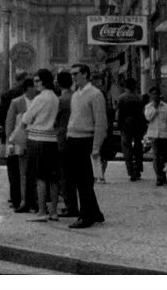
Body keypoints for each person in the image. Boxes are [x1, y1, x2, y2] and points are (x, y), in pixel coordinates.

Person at [64, 64, 106, 228]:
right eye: (72, 74)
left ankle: (86, 216)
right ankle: (95, 213)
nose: (73, 77)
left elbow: (101, 122)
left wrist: (96, 147)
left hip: (85, 141)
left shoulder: (95, 95)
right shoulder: (76, 95)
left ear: (85, 74)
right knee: (77, 179)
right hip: (73, 140)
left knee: (84, 181)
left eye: (76, 74)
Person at [22, 69, 61, 220]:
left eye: (37, 81)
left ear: (44, 81)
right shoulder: (55, 98)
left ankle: (42, 211)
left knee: (40, 177)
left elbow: (27, 117)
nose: (35, 84)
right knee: (53, 178)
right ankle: (54, 212)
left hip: (37, 139)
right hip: (52, 139)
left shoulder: (39, 98)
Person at [1, 73, 32, 209]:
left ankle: (17, 199)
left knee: (14, 171)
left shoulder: (8, 95)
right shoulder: (19, 99)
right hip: (23, 137)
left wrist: (10, 137)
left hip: (16, 137)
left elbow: (3, 118)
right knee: (26, 171)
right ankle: (26, 199)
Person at [7, 79, 38, 213]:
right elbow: (10, 122)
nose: (36, 89)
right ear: (27, 88)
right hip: (21, 141)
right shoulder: (16, 102)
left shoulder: (39, 100)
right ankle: (24, 200)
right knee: (23, 173)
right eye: (33, 87)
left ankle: (34, 200)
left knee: (35, 173)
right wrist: (10, 142)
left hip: (35, 139)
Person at [54, 70, 78, 218]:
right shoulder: (76, 97)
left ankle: (71, 206)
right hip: (77, 137)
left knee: (64, 175)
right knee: (75, 174)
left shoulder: (61, 100)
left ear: (58, 83)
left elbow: (54, 120)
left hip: (62, 138)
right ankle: (75, 205)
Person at [144, 86, 167, 186]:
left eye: (156, 93)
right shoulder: (148, 107)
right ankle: (159, 177)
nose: (155, 96)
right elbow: (148, 118)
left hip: (165, 135)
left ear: (159, 94)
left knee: (165, 157)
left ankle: (163, 174)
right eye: (152, 94)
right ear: (151, 95)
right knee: (156, 157)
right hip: (154, 135)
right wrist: (154, 107)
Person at [117, 78, 146, 182]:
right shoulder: (139, 98)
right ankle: (138, 168)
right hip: (138, 125)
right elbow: (142, 113)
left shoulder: (121, 98)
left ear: (125, 86)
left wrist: (119, 125)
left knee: (126, 147)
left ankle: (131, 171)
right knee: (138, 147)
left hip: (126, 125)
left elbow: (120, 114)